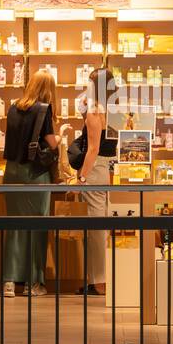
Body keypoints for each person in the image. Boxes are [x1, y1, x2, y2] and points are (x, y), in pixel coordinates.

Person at [1, 70, 59, 297]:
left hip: (12, 172)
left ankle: (9, 281)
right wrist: (62, 137)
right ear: (48, 89)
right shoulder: (44, 110)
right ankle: (33, 283)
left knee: (14, 227)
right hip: (35, 174)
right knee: (37, 227)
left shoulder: (13, 107)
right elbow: (51, 143)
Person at [70, 68, 118, 295]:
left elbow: (93, 148)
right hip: (107, 168)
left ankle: (99, 281)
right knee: (100, 226)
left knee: (95, 228)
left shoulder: (93, 110)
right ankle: (97, 279)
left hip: (95, 168)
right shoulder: (113, 108)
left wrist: (81, 177)